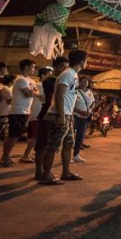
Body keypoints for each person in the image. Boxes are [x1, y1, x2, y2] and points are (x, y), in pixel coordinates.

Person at [40, 50, 87, 185]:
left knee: (68, 144)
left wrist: (69, 115)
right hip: (58, 115)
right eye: (86, 60)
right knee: (53, 146)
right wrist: (61, 116)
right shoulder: (67, 74)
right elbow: (59, 95)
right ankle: (46, 175)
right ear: (82, 61)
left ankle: (66, 172)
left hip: (67, 114)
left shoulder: (73, 75)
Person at [34, 57, 68, 181]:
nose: (65, 69)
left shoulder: (55, 80)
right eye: (63, 66)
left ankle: (41, 172)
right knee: (45, 145)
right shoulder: (52, 80)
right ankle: (42, 172)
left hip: (46, 113)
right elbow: (56, 97)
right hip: (48, 114)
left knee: (43, 144)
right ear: (56, 67)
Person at [2, 59, 39, 167]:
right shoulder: (21, 79)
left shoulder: (30, 80)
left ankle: (5, 156)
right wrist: (33, 92)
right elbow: (28, 93)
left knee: (15, 135)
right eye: (33, 67)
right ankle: (5, 157)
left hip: (25, 111)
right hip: (17, 111)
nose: (34, 69)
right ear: (26, 67)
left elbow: (36, 91)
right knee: (14, 135)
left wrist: (33, 92)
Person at [20, 67, 50, 163]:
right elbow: (43, 98)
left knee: (33, 136)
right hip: (37, 112)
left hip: (36, 112)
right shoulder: (40, 85)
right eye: (49, 75)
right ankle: (25, 155)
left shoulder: (38, 84)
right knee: (34, 136)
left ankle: (27, 154)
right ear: (43, 75)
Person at [72, 76, 95, 163]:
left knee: (80, 136)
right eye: (83, 81)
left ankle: (76, 155)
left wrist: (89, 110)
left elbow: (93, 102)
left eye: (86, 82)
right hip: (75, 116)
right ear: (79, 82)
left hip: (84, 118)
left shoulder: (90, 92)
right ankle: (67, 155)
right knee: (70, 136)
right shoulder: (75, 91)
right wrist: (80, 111)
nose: (85, 83)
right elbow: (71, 104)